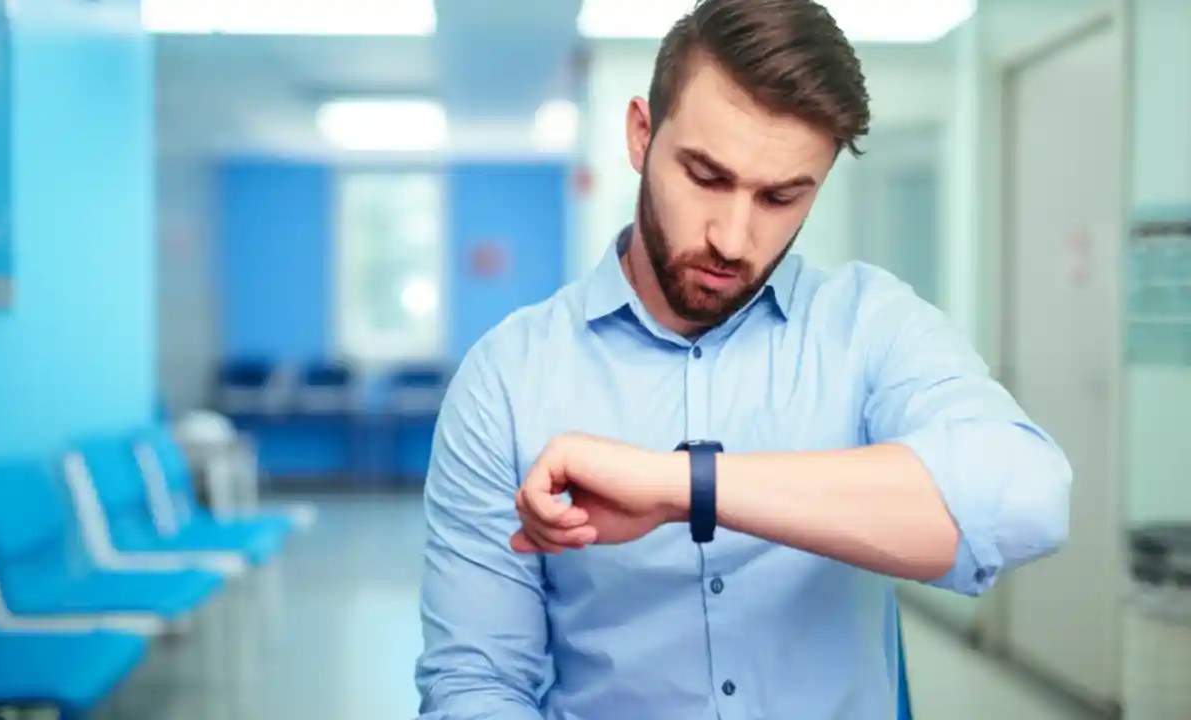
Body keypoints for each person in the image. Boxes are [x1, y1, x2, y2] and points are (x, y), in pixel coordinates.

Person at [415, 0, 1073, 718]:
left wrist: (685, 487)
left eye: (782, 196)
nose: (733, 238)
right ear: (641, 135)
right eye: (705, 176)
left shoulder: (869, 327)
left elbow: (1027, 501)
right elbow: (477, 686)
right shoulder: (507, 380)